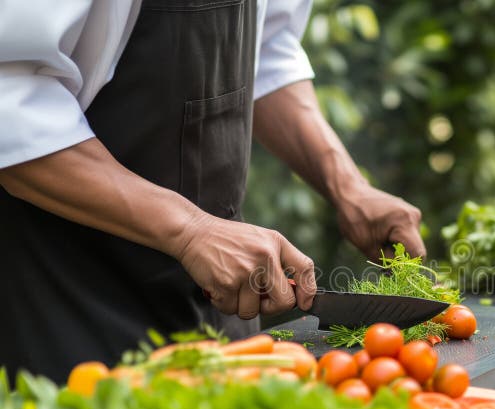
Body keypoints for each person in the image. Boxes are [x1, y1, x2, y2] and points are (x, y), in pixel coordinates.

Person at [0, 0, 425, 382]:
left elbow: (270, 51)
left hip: (222, 304)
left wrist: (348, 186)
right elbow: (12, 104)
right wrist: (189, 230)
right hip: (69, 305)